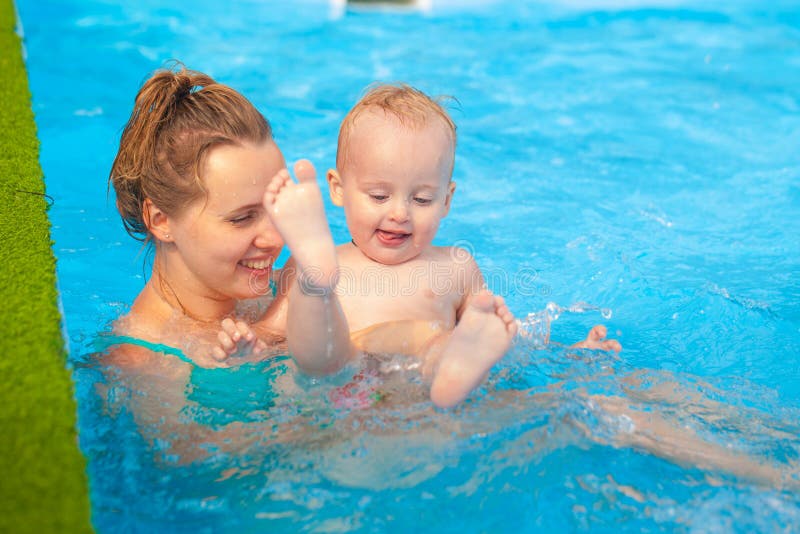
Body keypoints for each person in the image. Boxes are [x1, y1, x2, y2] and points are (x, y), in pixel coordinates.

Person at [218, 84, 619, 408]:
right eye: (379, 196)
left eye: (422, 199)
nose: (400, 213)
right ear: (338, 189)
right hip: (342, 379)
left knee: (440, 343)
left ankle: (449, 372)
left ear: (447, 200)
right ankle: (319, 290)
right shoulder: (314, 262)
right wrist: (248, 344)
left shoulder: (455, 267)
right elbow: (272, 334)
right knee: (329, 351)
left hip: (418, 382)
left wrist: (570, 353)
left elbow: (501, 339)